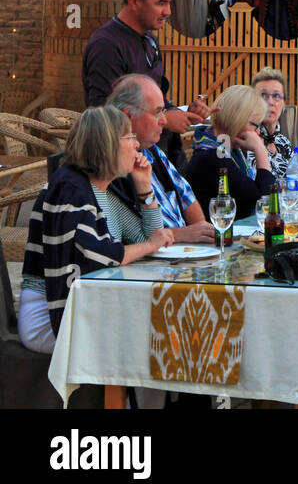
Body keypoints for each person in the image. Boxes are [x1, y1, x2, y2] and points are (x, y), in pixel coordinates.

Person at [18, 106, 173, 353]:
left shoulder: (102, 192)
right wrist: (149, 245)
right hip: (46, 317)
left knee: (160, 330)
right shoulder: (69, 190)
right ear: (107, 144)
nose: (137, 146)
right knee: (148, 339)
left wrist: (144, 187)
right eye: (130, 138)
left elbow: (151, 240)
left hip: (86, 304)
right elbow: (98, 256)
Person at [82, 0, 209, 151]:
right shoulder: (106, 45)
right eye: (160, 3)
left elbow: (156, 98)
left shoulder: (150, 39)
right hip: (121, 159)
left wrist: (182, 112)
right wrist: (164, 120)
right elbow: (103, 113)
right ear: (134, 1)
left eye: (169, 3)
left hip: (157, 153)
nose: (168, 12)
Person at [106, 75, 215, 242]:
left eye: (163, 111)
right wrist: (183, 235)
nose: (164, 121)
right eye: (157, 112)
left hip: (177, 255)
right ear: (128, 116)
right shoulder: (109, 167)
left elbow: (186, 197)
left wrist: (203, 237)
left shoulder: (152, 151)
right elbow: (133, 239)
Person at [185, 86, 276, 218]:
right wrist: (261, 151)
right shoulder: (214, 158)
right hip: (218, 235)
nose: (258, 132)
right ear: (239, 121)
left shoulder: (226, 149)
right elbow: (264, 201)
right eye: (256, 125)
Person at [249, 66, 294, 180]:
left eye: (276, 96)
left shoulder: (283, 142)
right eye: (263, 96)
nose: (270, 102)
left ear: (284, 103)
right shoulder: (244, 142)